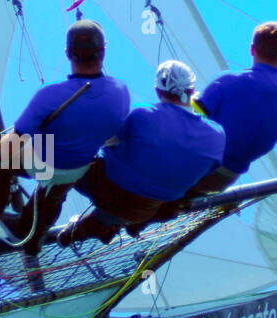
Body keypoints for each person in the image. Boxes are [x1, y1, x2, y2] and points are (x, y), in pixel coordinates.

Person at [0, 20, 130, 259]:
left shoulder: (50, 96)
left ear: (68, 53)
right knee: (56, 187)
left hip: (45, 165)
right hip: (77, 169)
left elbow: (7, 150)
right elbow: (111, 138)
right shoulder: (121, 92)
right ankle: (33, 239)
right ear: (103, 51)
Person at [58, 60, 225, 246]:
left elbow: (98, 141)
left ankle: (38, 205)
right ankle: (86, 230)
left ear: (158, 91)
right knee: (134, 198)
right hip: (147, 209)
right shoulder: (217, 136)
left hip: (106, 190)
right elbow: (206, 172)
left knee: (53, 152)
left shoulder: (142, 115)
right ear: (193, 91)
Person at [192, 21, 277, 190]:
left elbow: (188, 119)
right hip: (223, 180)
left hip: (195, 165)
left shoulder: (227, 81)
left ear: (252, 49)